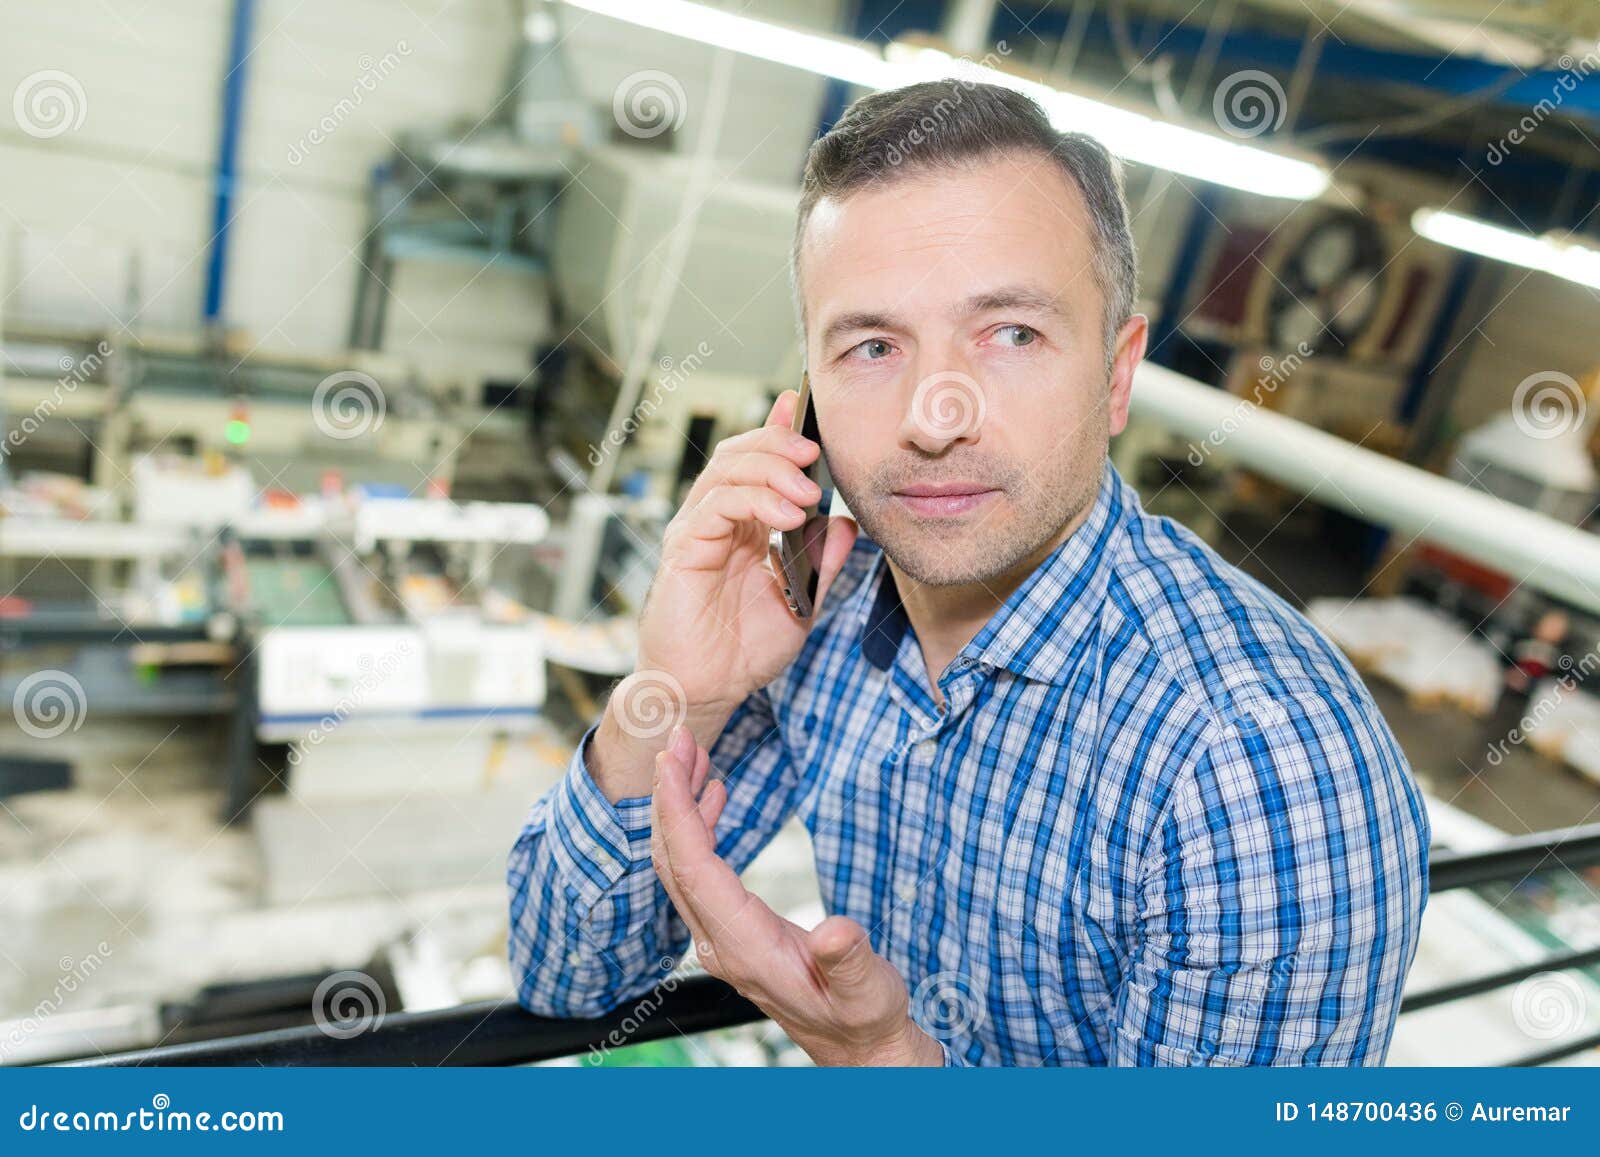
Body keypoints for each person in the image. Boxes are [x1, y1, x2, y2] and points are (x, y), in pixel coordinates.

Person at [508, 79, 1431, 1066]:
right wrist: (677, 694)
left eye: (1011, 333)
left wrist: (887, 1068)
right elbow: (568, 974)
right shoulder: (820, 613)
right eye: (870, 345)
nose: (932, 413)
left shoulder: (1254, 765)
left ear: (1115, 376)